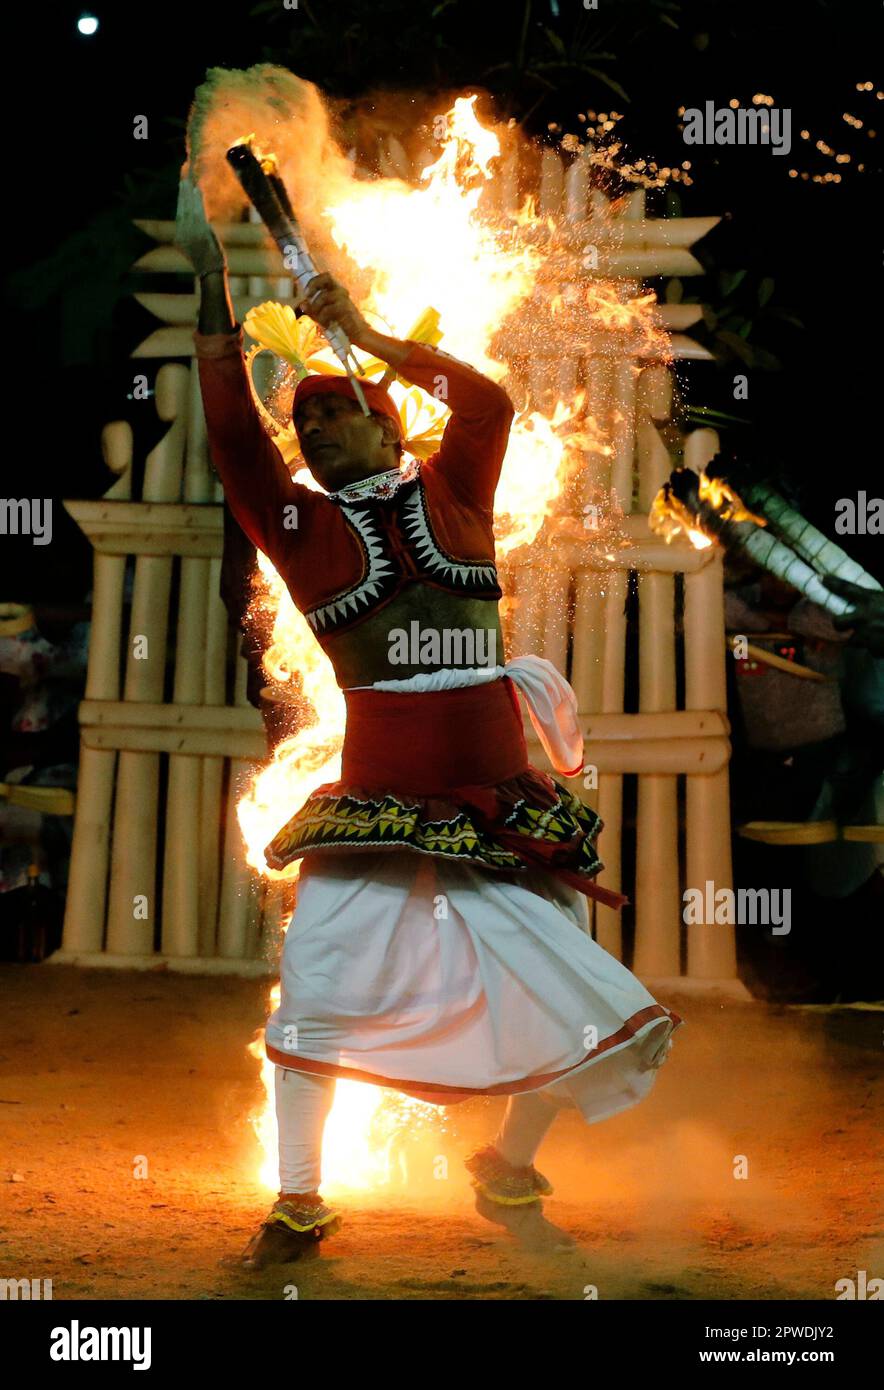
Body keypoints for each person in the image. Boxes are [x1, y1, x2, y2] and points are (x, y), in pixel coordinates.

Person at [176, 177, 682, 1265]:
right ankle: (300, 1198)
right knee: (313, 1000)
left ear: (383, 416)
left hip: (502, 803)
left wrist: (369, 335)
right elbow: (232, 439)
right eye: (302, 417)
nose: (313, 425)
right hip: (375, 807)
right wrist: (211, 280)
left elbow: (488, 403)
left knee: (576, 997)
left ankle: (505, 1162)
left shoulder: (457, 484)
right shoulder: (296, 525)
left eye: (333, 406)